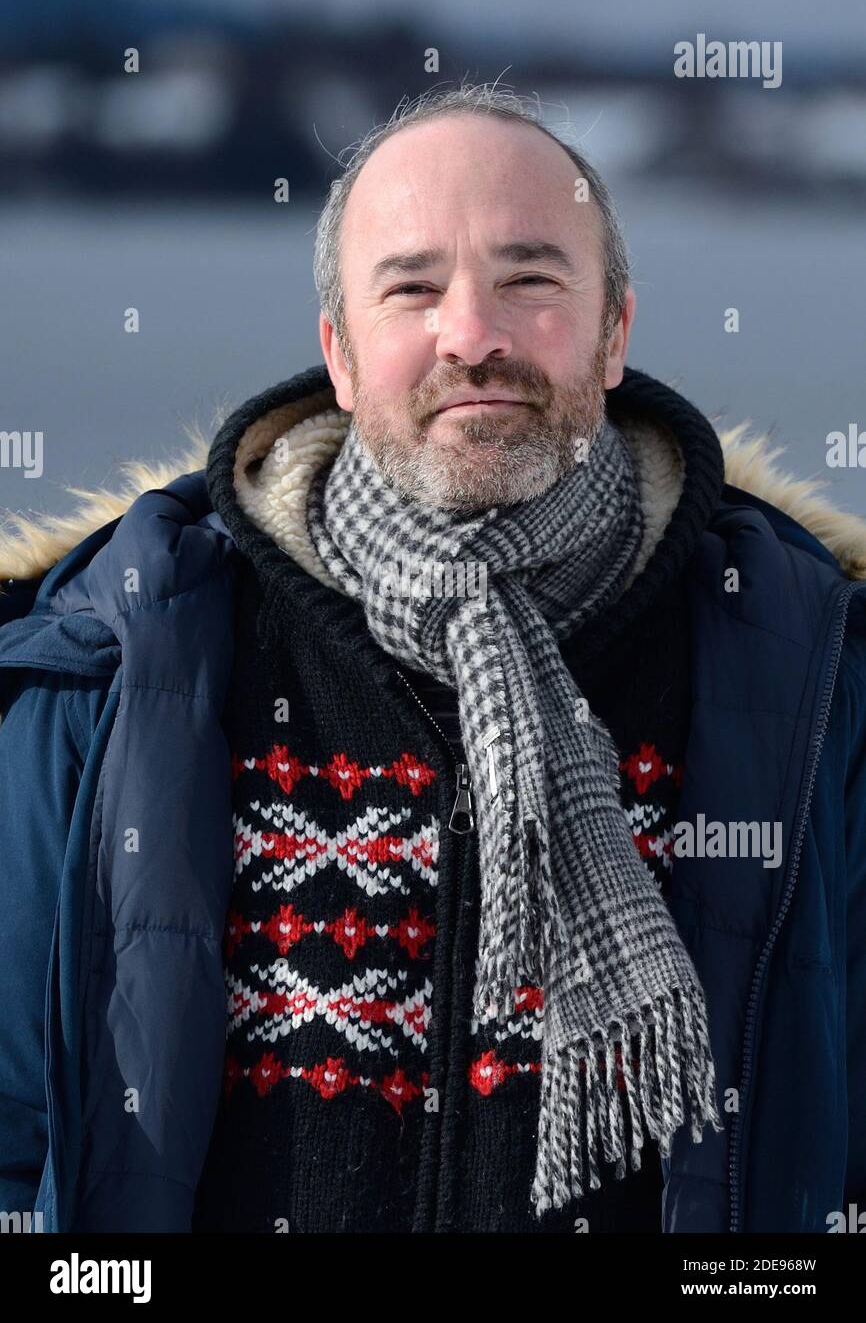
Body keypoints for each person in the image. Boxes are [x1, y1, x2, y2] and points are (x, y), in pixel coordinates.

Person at [1, 83, 865, 1236]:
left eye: (529, 280)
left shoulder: (810, 679)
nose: (473, 334)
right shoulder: (106, 672)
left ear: (613, 332)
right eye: (411, 287)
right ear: (339, 355)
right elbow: (17, 1133)